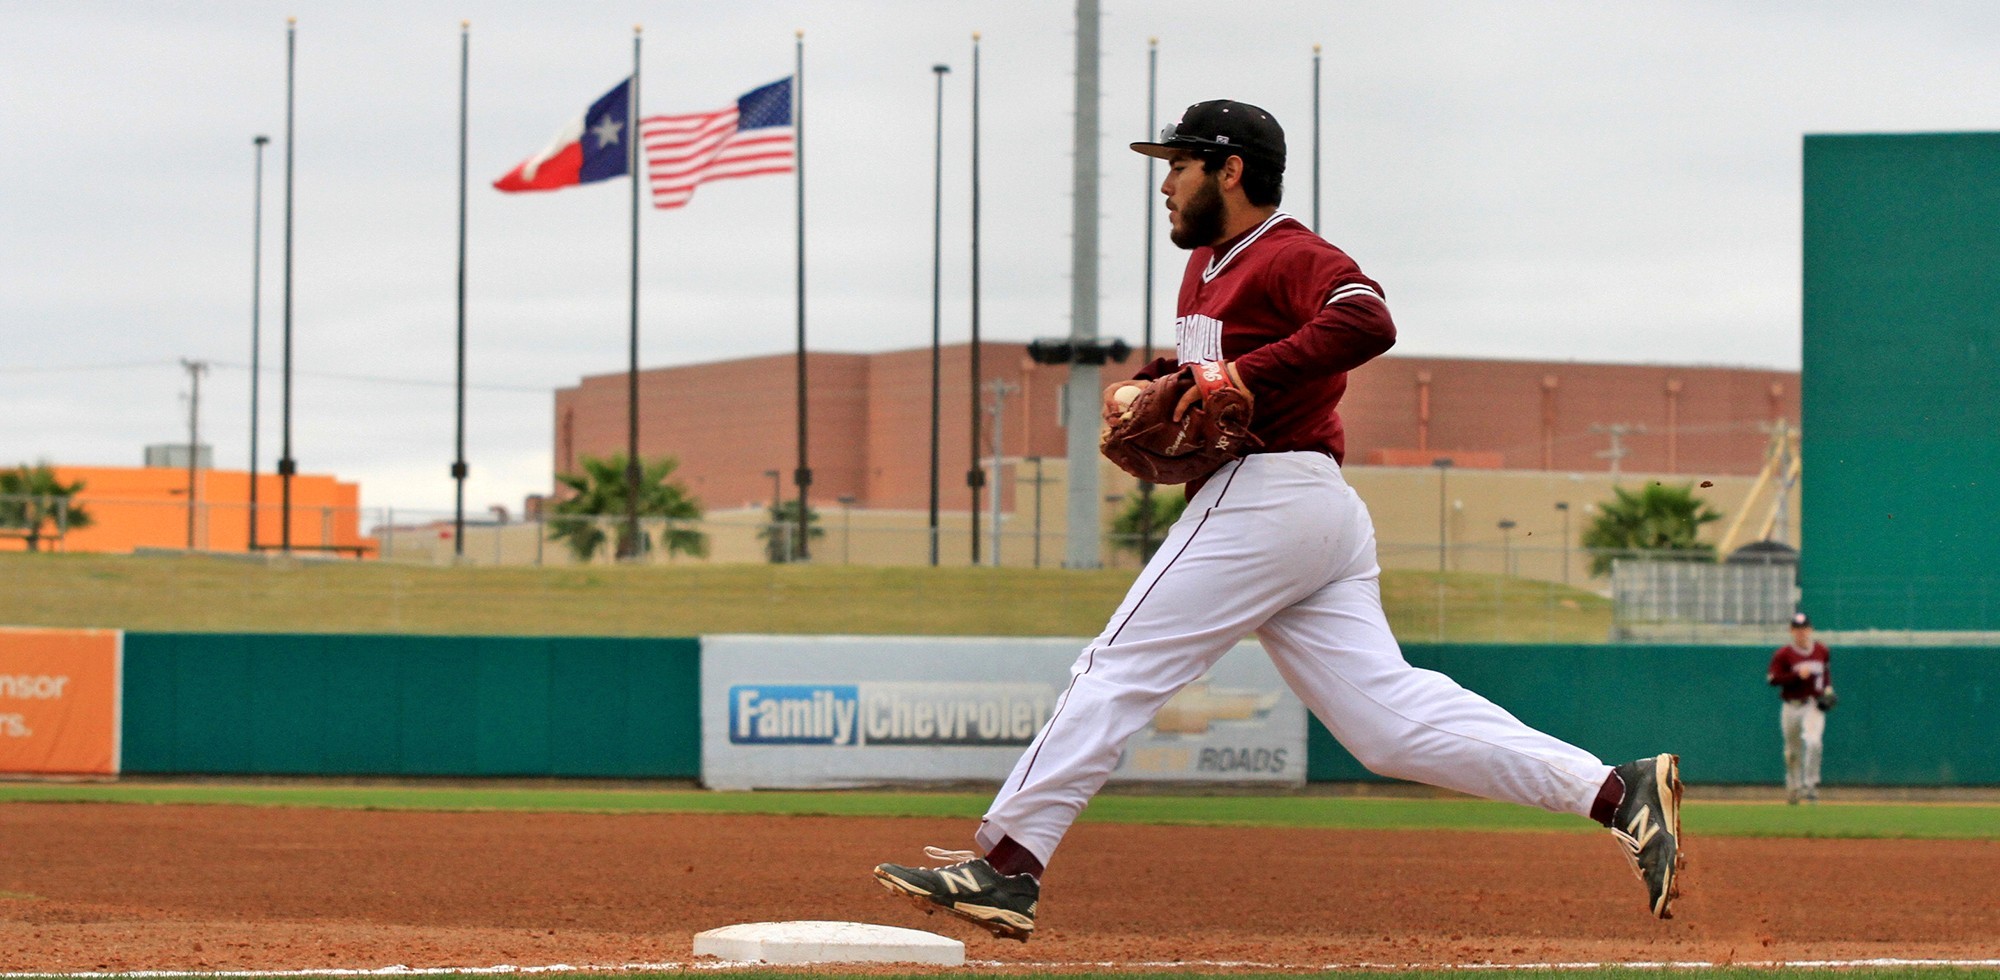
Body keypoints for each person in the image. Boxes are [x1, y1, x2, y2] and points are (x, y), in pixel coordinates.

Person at [872, 99, 1683, 940]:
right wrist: (1160, 381)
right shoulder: (1209, 267)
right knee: (1385, 727)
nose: (1166, 182)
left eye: (1180, 164)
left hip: (1266, 493)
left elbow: (1367, 318)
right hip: (1312, 511)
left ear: (1230, 171)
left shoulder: (1291, 250)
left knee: (1114, 670)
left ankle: (1007, 869)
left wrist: (1241, 377)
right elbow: (1212, 364)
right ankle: (1615, 793)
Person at [1768, 611, 1832, 803]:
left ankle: (1810, 786)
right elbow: (1772, 679)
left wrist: (1828, 691)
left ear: (1810, 629)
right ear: (1791, 631)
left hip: (1812, 704)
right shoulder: (1783, 654)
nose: (1801, 632)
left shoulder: (1821, 651)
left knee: (1813, 742)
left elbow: (1825, 676)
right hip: (1790, 706)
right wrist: (1795, 676)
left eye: (1804, 628)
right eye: (1797, 629)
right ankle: (1794, 787)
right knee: (1792, 752)